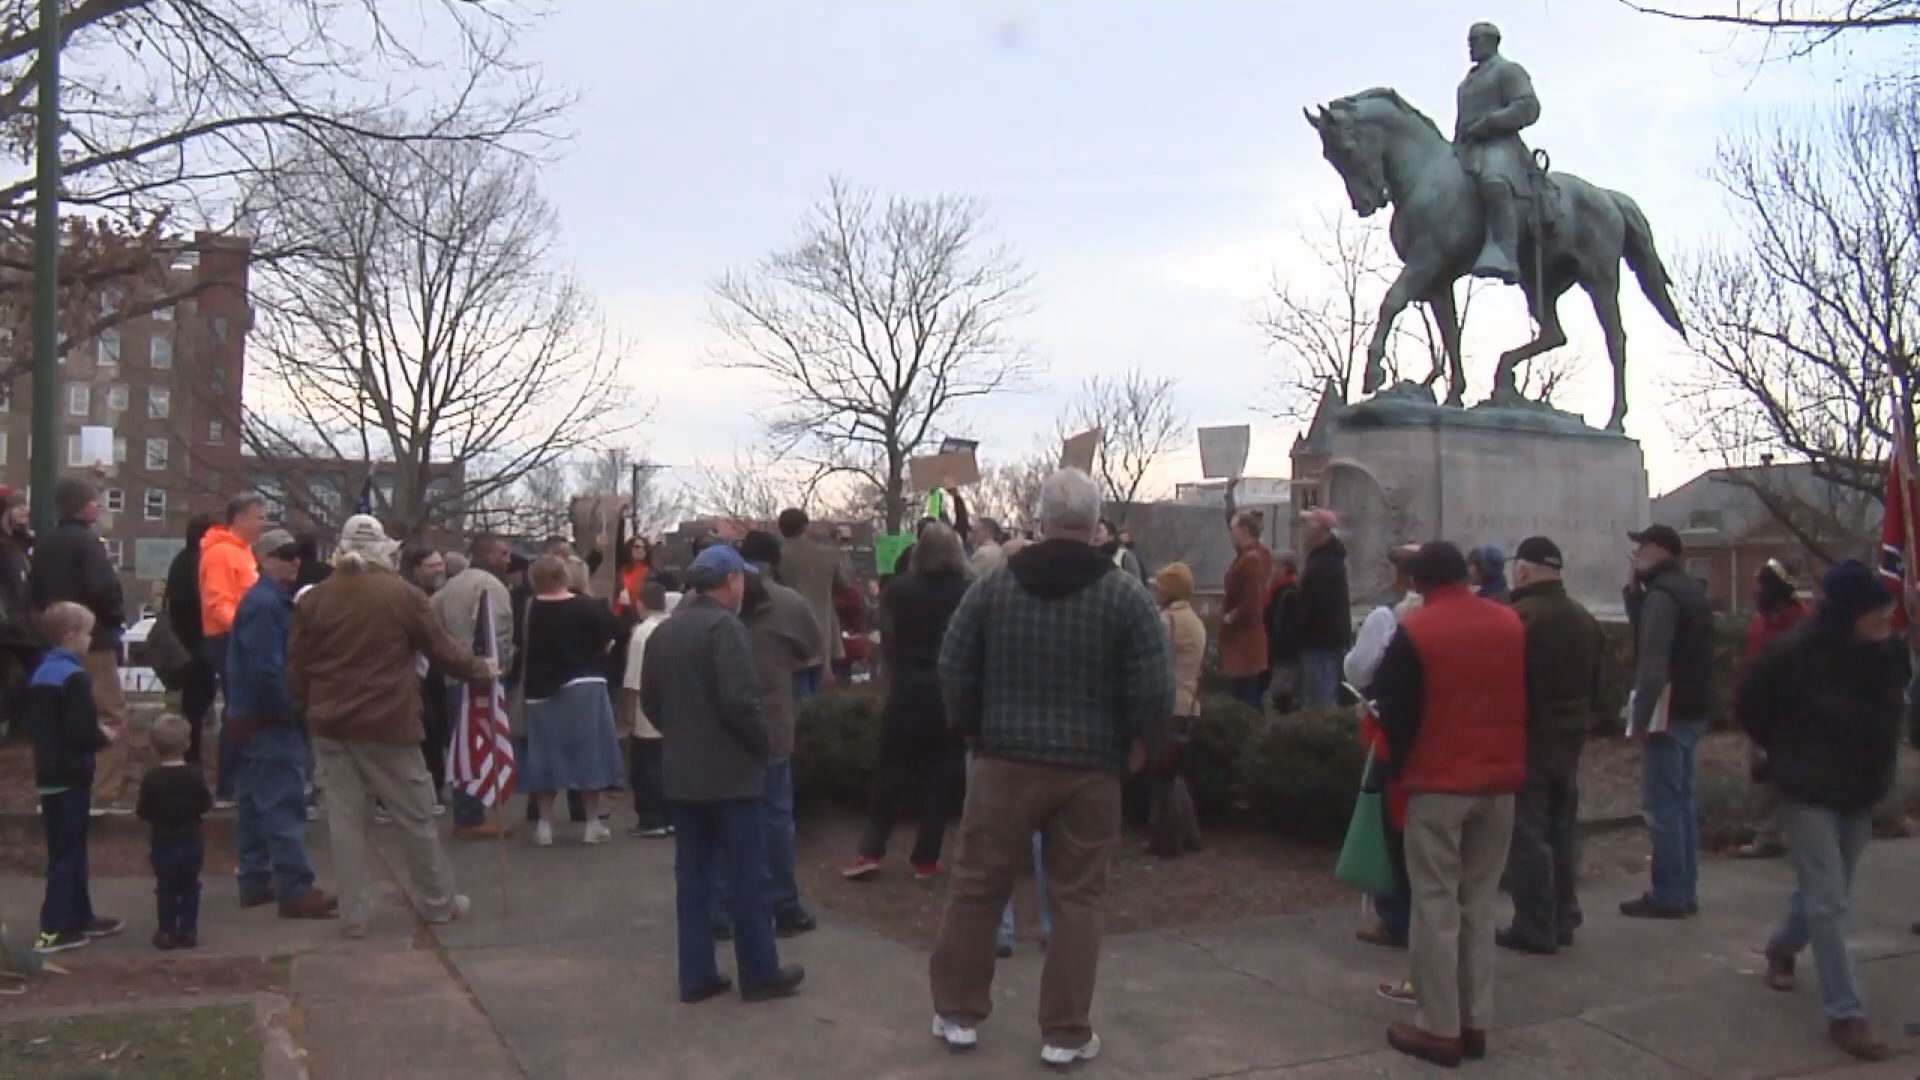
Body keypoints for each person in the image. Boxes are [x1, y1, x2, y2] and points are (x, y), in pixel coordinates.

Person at [928, 467, 1173, 1066]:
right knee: (1078, 899)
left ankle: (957, 1011)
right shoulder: (1125, 595)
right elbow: (1154, 683)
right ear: (1095, 526)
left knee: (977, 886)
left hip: (1003, 758)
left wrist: (969, 727)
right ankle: (1064, 1032)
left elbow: (953, 663)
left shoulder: (993, 586)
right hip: (1091, 766)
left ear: (1039, 520)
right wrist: (1142, 746)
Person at [289, 514, 492, 937]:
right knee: (415, 815)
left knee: (345, 824)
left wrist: (305, 708)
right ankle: (437, 902)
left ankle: (354, 915)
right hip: (389, 722)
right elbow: (442, 651)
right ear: (382, 548)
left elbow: (297, 667)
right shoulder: (402, 594)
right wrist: (481, 669)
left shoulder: (313, 600)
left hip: (330, 724)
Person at [1742, 560, 1906, 1062]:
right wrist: (1782, 752)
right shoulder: (1792, 654)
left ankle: (1783, 945)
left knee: (1827, 891)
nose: (1886, 618)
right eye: (1876, 611)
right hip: (1807, 787)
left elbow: (1893, 716)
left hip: (1860, 790)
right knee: (1830, 900)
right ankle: (1845, 1013)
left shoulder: (1889, 655)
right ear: (1848, 613)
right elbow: (1750, 705)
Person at [1372, 541, 1527, 1068]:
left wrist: (1394, 773)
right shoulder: (1509, 624)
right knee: (1478, 904)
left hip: (1438, 780)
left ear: (1418, 582)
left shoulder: (1415, 632)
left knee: (1435, 902)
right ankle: (1475, 1019)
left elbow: (1394, 711)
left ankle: (1439, 1026)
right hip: (1500, 779)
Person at [640, 544, 806, 1004]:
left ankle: (696, 973)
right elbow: (740, 702)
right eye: (740, 579)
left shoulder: (665, 633)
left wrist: (680, 734)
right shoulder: (725, 629)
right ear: (730, 581)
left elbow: (651, 701)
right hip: (731, 773)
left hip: (682, 771)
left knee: (692, 878)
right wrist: (760, 745)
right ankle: (759, 971)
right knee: (748, 875)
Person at [844, 523, 973, 881]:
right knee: (939, 775)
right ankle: (926, 859)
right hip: (947, 690)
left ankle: (871, 848)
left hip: (906, 687)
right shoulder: (968, 591)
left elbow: (888, 637)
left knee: (890, 770)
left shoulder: (899, 590)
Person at [716, 530, 825, 935]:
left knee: (722, 816)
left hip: (719, 727)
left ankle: (723, 907)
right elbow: (810, 649)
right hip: (771, 721)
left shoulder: (702, 602)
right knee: (776, 817)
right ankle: (783, 905)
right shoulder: (788, 604)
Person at [1500, 536, 1602, 955]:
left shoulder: (1518, 619)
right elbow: (1597, 683)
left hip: (1530, 737)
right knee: (1562, 828)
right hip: (1571, 737)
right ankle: (1564, 914)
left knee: (1528, 833)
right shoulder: (1584, 619)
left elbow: (1505, 685)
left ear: (1522, 570)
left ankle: (1535, 923)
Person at [227, 529, 335, 919]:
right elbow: (268, 669)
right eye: (285, 554)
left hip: (253, 716)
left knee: (256, 802)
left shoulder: (269, 602)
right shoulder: (266, 605)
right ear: (263, 558)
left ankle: (256, 879)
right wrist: (293, 707)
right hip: (269, 718)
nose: (294, 561)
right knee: (283, 800)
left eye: (297, 554)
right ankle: (295, 886)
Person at [1621, 523, 1714, 920]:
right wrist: (1632, 592)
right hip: (1694, 709)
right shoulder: (1690, 590)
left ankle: (1668, 893)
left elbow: (1653, 659)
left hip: (1669, 712)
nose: (1637, 553)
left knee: (1662, 806)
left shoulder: (1663, 595)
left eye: (1642, 546)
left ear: (1661, 549)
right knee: (1682, 802)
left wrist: (1639, 718)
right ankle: (1684, 888)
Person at [24, 601, 124, 953]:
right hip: (72, 773)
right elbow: (81, 730)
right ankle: (53, 928)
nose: (90, 639)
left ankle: (80, 915)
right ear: (71, 636)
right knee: (68, 852)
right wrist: (105, 736)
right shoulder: (75, 677)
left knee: (68, 847)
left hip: (49, 772)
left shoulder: (41, 673)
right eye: (87, 633)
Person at [29, 479, 133, 813]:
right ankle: (104, 790)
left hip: (55, 638)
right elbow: (104, 587)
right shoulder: (88, 543)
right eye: (95, 500)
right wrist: (115, 617)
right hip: (94, 638)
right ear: (82, 506)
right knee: (108, 710)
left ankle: (57, 789)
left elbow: (34, 591)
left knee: (58, 712)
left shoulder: (45, 543)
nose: (99, 506)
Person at [518, 554, 624, 847]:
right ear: (565, 576)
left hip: (541, 691)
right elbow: (612, 636)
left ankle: (544, 825)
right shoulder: (588, 607)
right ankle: (591, 824)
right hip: (584, 686)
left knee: (545, 756)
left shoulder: (529, 609)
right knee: (589, 753)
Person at [1346, 544, 1421, 953]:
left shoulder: (1389, 616)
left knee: (1389, 824)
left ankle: (1395, 916)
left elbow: (1358, 667)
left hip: (1390, 731)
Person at [433, 536, 518, 839]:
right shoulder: (490, 588)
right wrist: (498, 667)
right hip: (481, 677)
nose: (508, 560)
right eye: (503, 554)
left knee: (463, 747)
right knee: (479, 743)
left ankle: (468, 810)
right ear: (486, 555)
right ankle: (470, 815)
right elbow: (496, 635)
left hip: (454, 674)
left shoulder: (449, 587)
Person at [1455, 20, 1541, 284]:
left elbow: (1528, 106)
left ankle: (1505, 252)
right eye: (1469, 42)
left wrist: (1491, 122)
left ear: (1491, 41)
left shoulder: (1508, 71)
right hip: (1468, 147)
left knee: (1494, 182)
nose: (1470, 47)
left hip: (1501, 145)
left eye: (1475, 41)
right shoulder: (1465, 84)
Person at [1735, 560, 1807, 860]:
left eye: (1761, 584)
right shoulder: (1761, 622)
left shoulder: (1802, 624)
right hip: (1761, 714)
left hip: (1791, 716)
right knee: (1761, 779)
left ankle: (1801, 836)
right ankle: (1768, 836)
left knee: (1795, 778)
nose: (1756, 590)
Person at [200, 494, 268, 804]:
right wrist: (246, 628)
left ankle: (241, 781)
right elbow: (218, 603)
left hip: (242, 637)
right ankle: (228, 786)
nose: (263, 523)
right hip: (228, 639)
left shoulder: (243, 553)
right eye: (259, 517)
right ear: (239, 519)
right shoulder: (221, 555)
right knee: (239, 709)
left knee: (245, 709)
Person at [136, 714, 212, 949]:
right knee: (190, 885)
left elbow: (143, 810)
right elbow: (205, 803)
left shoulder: (151, 779)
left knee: (166, 887)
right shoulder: (194, 775)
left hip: (163, 841)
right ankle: (189, 930)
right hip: (191, 840)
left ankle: (166, 930)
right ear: (187, 744)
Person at [1149, 562, 1205, 858]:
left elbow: (1150, 659)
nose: (1155, 591)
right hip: (1190, 702)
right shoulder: (1195, 621)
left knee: (1163, 775)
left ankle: (1167, 840)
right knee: (1174, 772)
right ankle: (1190, 833)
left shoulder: (1166, 621)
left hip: (1169, 702)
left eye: (1159, 587)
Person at [776, 507, 852, 700]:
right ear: (805, 526)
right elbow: (846, 584)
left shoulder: (777, 556)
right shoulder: (828, 554)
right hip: (823, 629)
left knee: (798, 693)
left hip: (789, 632)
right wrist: (843, 550)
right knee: (822, 694)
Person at [165, 514, 218, 768]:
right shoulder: (201, 564)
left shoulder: (180, 561)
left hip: (182, 642)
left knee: (190, 704)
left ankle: (188, 751)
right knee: (197, 702)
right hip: (199, 642)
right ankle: (192, 755)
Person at [619, 580, 672, 837]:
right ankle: (671, 815)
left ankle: (652, 818)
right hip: (673, 705)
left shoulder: (642, 633)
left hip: (646, 706)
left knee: (647, 765)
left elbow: (634, 678)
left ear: (640, 603)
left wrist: (627, 713)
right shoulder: (674, 627)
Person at [1219, 481, 1272, 710]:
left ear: (1244, 532)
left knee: (1245, 699)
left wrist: (1231, 616)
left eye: (1234, 530)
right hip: (1246, 644)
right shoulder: (1254, 554)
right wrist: (1229, 496)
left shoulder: (1251, 560)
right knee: (1247, 695)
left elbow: (1252, 602)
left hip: (1244, 644)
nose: (1230, 534)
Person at [1296, 507, 1352, 707]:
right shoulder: (1322, 559)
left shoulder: (1324, 564)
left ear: (1319, 532)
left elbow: (1318, 605)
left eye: (1307, 525)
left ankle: (1326, 736)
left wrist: (1298, 621)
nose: (1302, 531)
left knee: (1321, 699)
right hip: (1322, 640)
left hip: (1321, 642)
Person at [1264, 554, 1303, 713]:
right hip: (1281, 654)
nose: (1271, 571)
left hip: (1285, 655)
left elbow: (1285, 627)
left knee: (1280, 696)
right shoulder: (1279, 591)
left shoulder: (1288, 593)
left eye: (1274, 566)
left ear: (1284, 568)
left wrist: (1276, 644)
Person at [1094, 517, 1144, 582]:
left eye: (1098, 531)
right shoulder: (1089, 556)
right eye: (1092, 531)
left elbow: (1136, 584)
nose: (1095, 535)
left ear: (1110, 535)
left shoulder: (1123, 555)